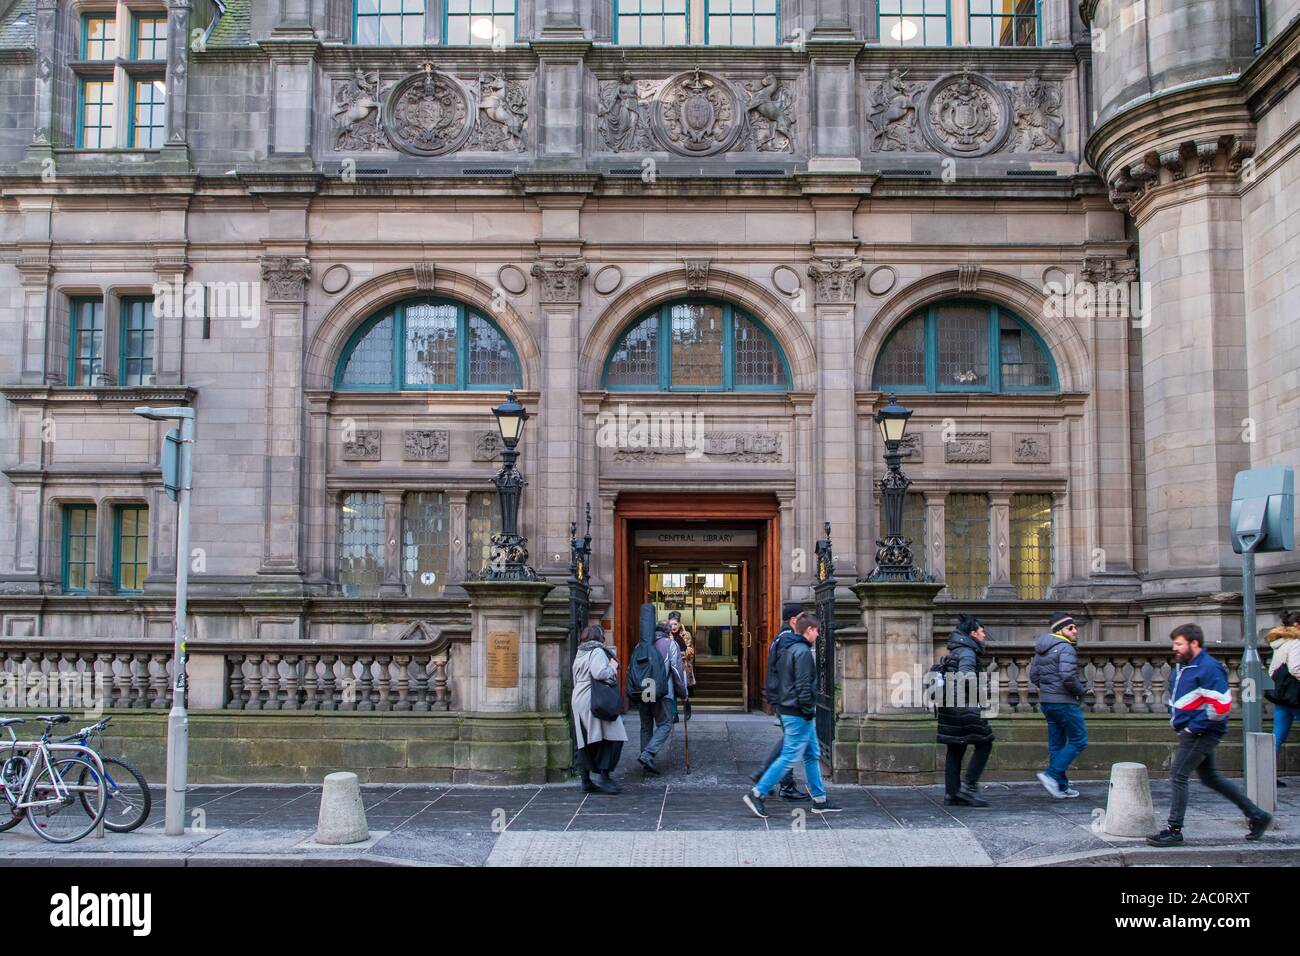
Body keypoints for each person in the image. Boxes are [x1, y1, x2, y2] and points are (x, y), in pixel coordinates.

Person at [1147, 623, 1272, 846]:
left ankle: (1174, 830)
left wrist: (1193, 727)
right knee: (1211, 778)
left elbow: (1221, 706)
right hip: (1195, 731)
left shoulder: (1208, 667)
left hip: (1201, 733)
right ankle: (1257, 815)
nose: (1174, 648)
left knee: (1178, 775)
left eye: (1178, 644)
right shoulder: (1186, 666)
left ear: (1193, 643)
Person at [744, 613, 840, 818]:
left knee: (811, 754)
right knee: (789, 756)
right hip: (797, 711)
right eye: (816, 630)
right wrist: (807, 710)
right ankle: (757, 793)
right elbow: (804, 685)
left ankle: (819, 799)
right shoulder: (802, 651)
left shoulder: (789, 647)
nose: (818, 634)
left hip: (791, 708)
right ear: (808, 631)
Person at [749, 602, 811, 801]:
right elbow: (790, 673)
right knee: (791, 740)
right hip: (788, 699)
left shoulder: (781, 638)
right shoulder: (789, 641)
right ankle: (767, 776)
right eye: (803, 617)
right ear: (794, 620)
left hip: (783, 697)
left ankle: (783, 783)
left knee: (792, 740)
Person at [935, 614, 995, 807]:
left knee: (955, 747)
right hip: (963, 706)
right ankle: (969, 787)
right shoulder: (968, 653)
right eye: (981, 631)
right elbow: (966, 678)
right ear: (972, 633)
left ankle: (952, 793)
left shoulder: (956, 649)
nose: (984, 634)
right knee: (985, 742)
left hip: (949, 706)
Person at [1029, 611, 1088, 799]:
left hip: (1047, 702)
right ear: (1061, 630)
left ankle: (1060, 787)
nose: (1075, 630)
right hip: (1064, 702)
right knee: (1079, 740)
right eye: (1071, 627)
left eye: (1075, 626)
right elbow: (1068, 676)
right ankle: (1051, 775)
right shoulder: (1066, 648)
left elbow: (1034, 676)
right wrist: (1081, 691)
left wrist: (1048, 690)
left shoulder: (1042, 648)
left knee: (1057, 744)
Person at [630, 605, 688, 775]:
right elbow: (677, 670)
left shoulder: (639, 645)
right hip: (662, 691)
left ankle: (646, 759)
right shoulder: (669, 644)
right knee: (665, 723)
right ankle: (648, 754)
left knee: (645, 726)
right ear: (667, 631)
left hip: (642, 691)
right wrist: (683, 692)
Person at [570, 624, 627, 795]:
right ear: (599, 637)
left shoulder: (581, 652)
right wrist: (612, 667)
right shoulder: (597, 651)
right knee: (613, 736)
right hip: (593, 698)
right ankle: (605, 777)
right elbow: (599, 673)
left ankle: (586, 780)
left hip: (579, 697)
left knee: (585, 739)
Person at [1266, 610, 1300, 786]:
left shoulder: (1280, 642)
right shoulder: (1296, 642)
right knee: (1278, 733)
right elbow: (1295, 668)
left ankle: (1267, 775)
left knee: (1278, 734)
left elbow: (1273, 670)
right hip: (1295, 695)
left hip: (1281, 696)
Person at [667, 611, 695, 722]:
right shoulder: (666, 634)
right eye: (671, 624)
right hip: (671, 665)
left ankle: (687, 704)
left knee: (682, 688)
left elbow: (691, 651)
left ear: (679, 623)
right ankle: (674, 714)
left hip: (683, 665)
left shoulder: (686, 634)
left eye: (675, 624)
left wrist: (682, 654)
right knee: (672, 689)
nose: (673, 627)